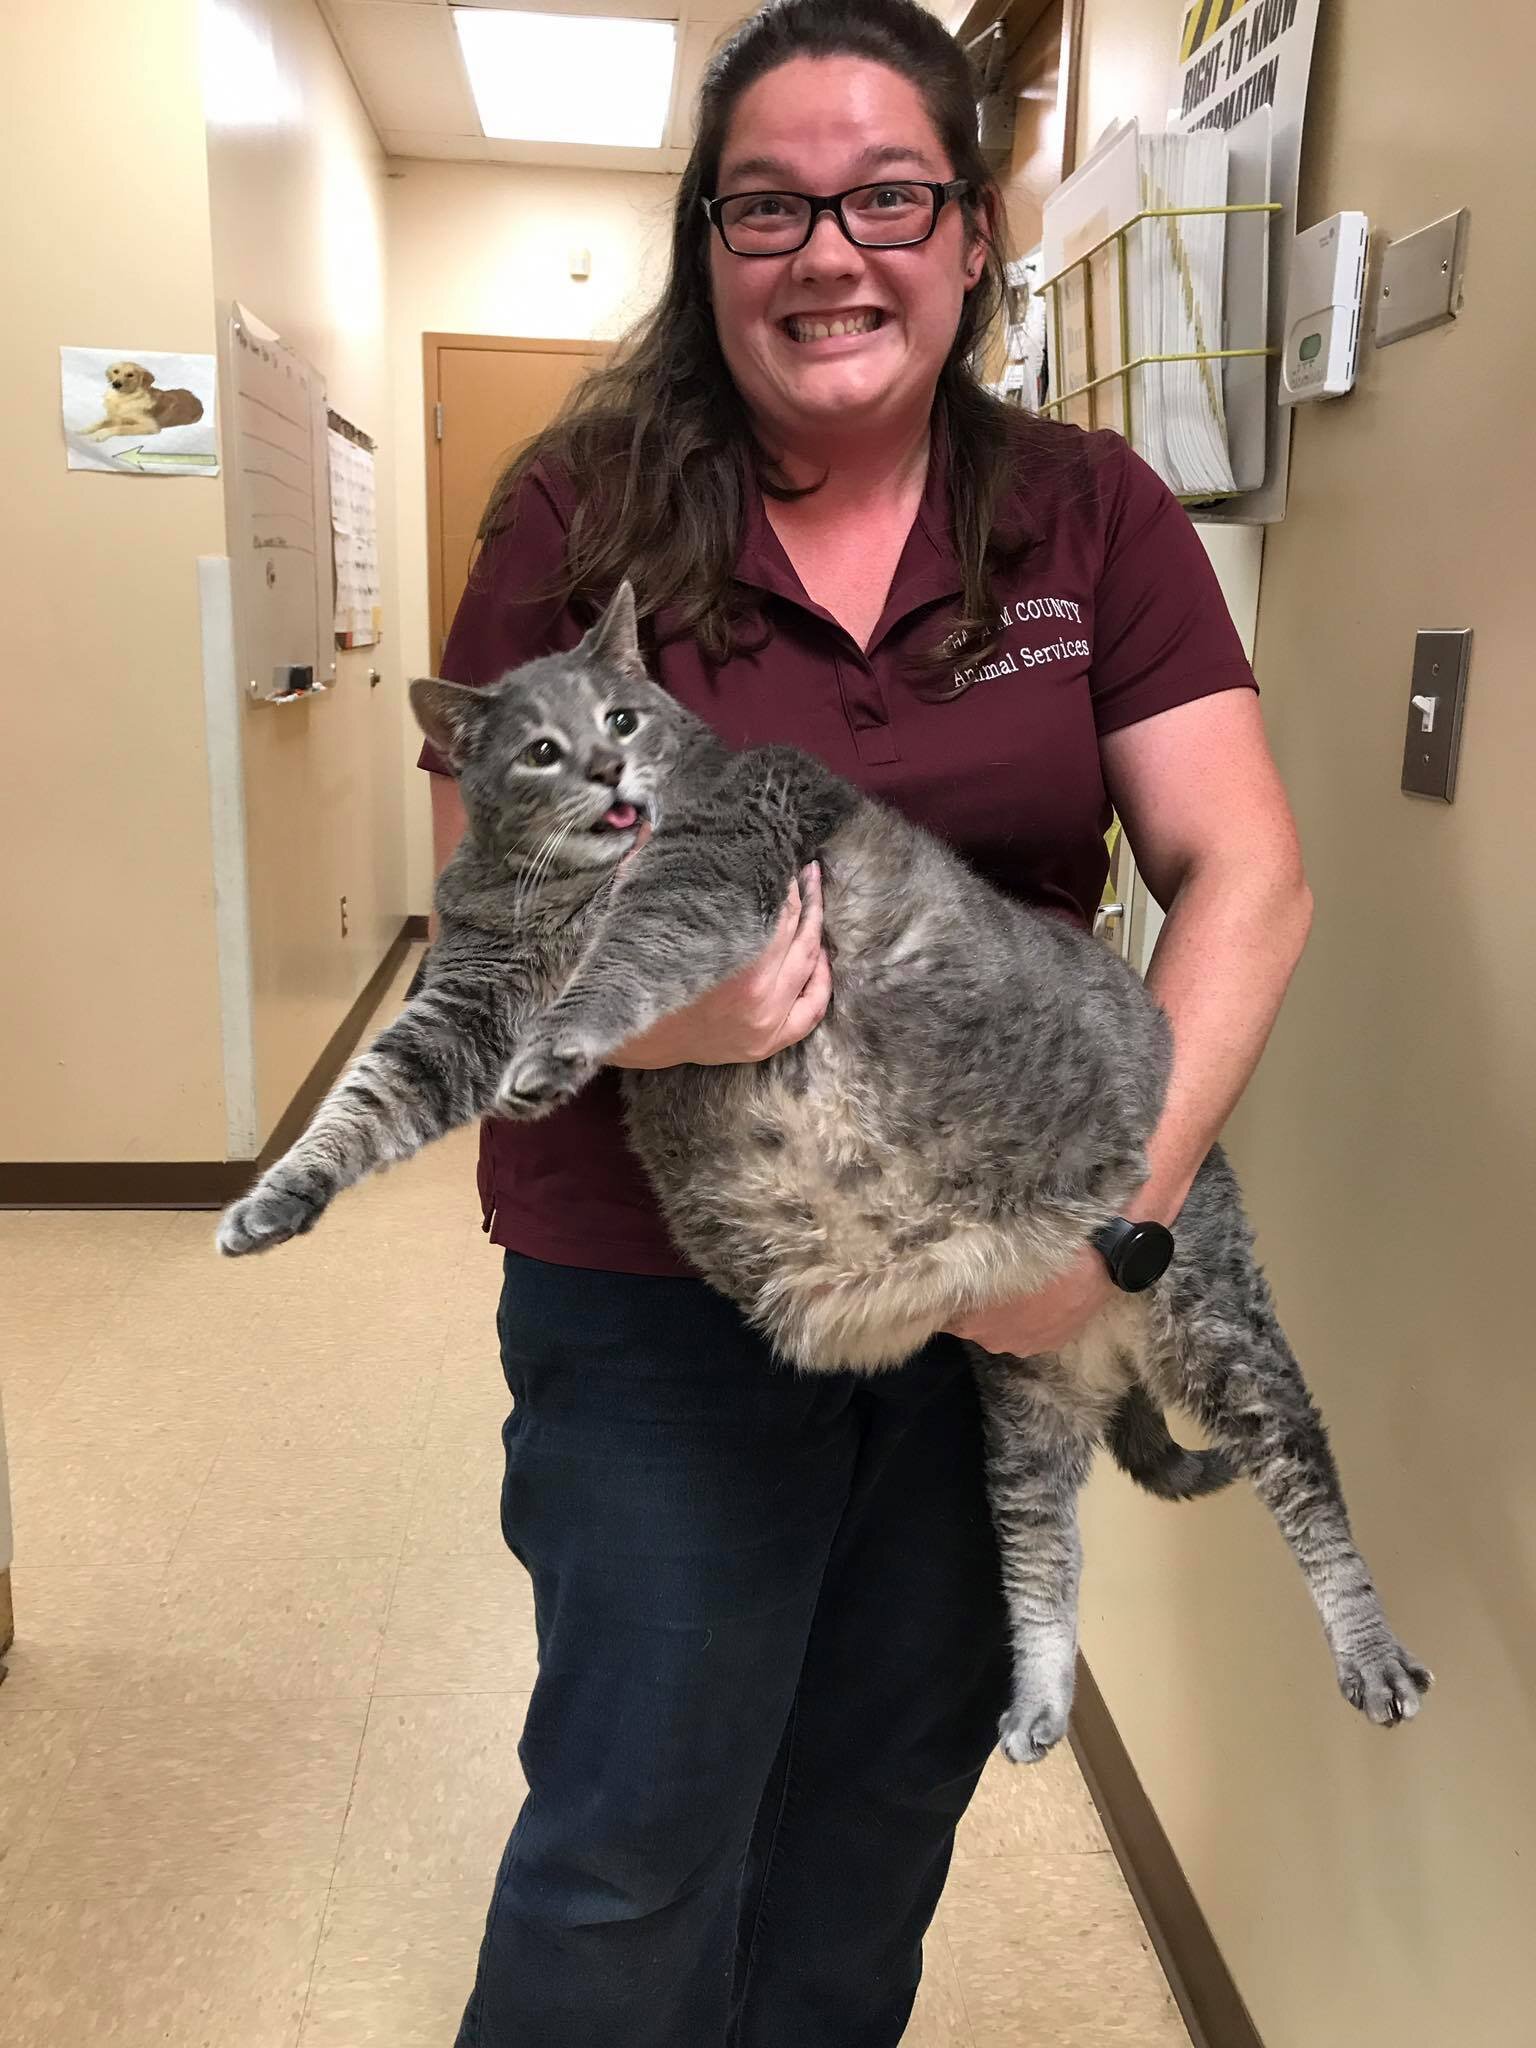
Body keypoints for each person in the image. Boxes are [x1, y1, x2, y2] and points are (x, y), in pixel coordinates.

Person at [421, 4, 1312, 2042]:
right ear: (708, 242)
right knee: (634, 1838)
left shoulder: (1095, 518)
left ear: (973, 233)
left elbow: (1246, 873)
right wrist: (660, 1019)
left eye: (887, 194)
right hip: (657, 1292)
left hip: (983, 1291)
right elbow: (494, 890)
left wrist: (1112, 1217)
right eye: (770, 205)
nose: (831, 250)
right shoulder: (583, 507)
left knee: (877, 1806)